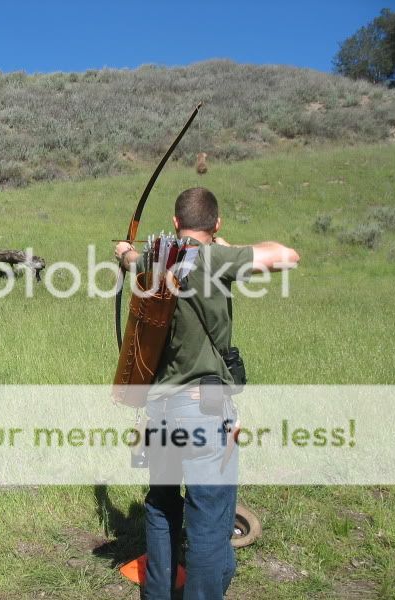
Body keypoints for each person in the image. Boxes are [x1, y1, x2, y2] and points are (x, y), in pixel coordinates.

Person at [114, 187, 299, 599]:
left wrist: (126, 250)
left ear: (176, 223)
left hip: (160, 412)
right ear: (215, 225)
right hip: (204, 411)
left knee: (162, 505)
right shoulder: (218, 258)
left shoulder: (154, 259)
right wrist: (227, 247)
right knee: (210, 522)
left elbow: (129, 258)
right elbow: (287, 255)